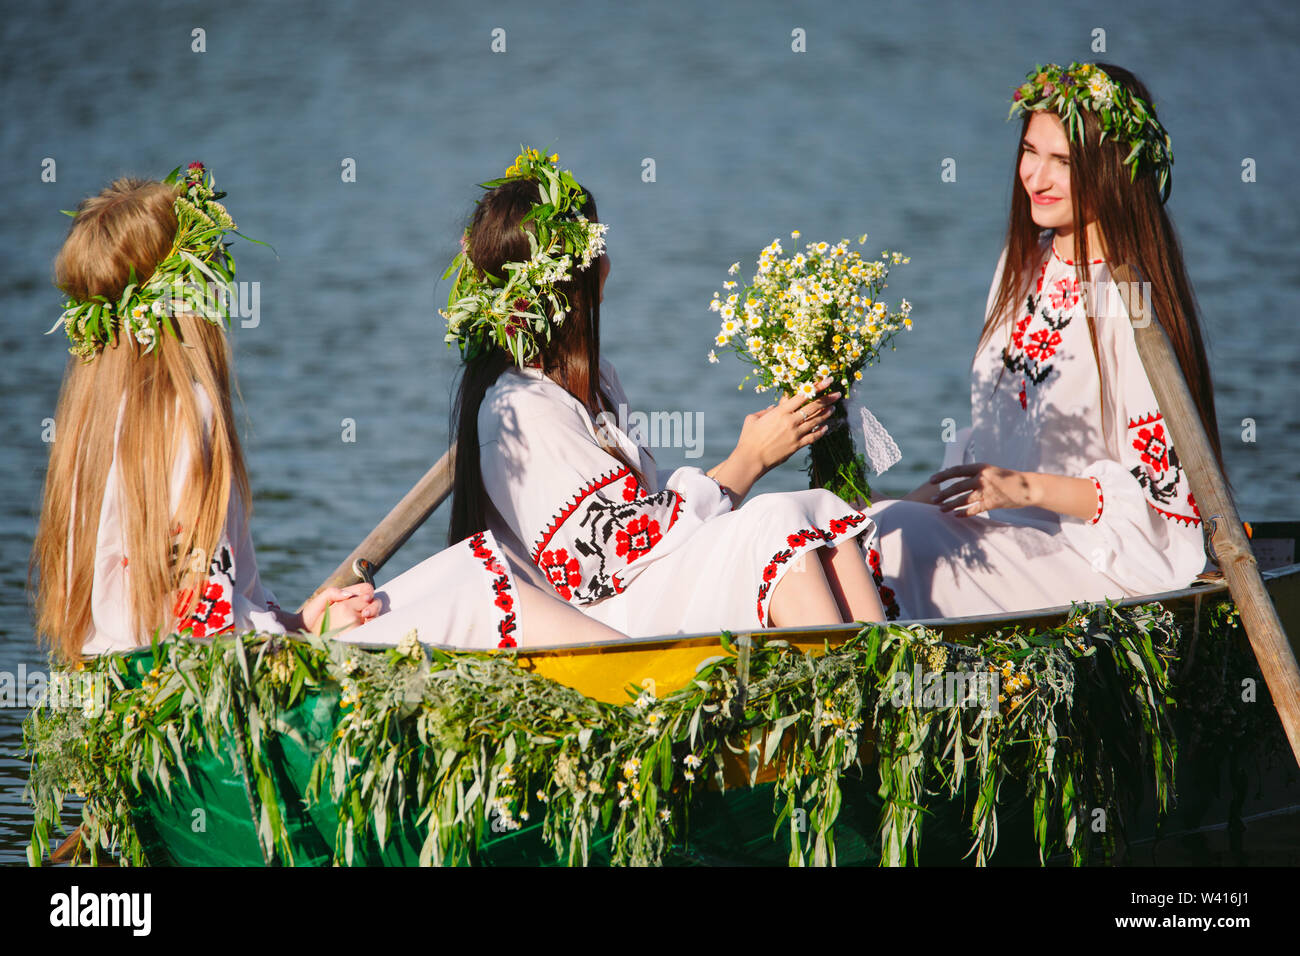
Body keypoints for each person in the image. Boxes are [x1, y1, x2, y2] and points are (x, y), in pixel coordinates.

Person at [30, 165, 627, 665]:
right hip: (209, 697)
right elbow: (202, 638)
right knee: (485, 584)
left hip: (142, 682)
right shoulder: (190, 415)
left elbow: (185, 608)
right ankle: (664, 690)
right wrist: (314, 640)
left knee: (463, 568)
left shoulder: (90, 424)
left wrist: (297, 619)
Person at [443, 149, 884, 637]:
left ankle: (876, 677)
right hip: (601, 619)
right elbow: (599, 559)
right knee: (775, 520)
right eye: (596, 247)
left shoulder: (591, 379)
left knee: (816, 506)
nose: (607, 261)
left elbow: (633, 505)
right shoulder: (521, 407)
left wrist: (738, 463)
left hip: (639, 589)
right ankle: (846, 696)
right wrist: (745, 464)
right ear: (565, 282)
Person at [865, 63, 1215, 619]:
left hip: (1097, 558)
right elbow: (986, 460)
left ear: (1116, 171)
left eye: (1064, 162)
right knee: (849, 527)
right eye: (1030, 152)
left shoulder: (1130, 303)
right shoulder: (1021, 268)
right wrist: (886, 505)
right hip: (996, 533)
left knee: (897, 537)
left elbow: (1160, 503)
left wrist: (1024, 489)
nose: (1036, 177)